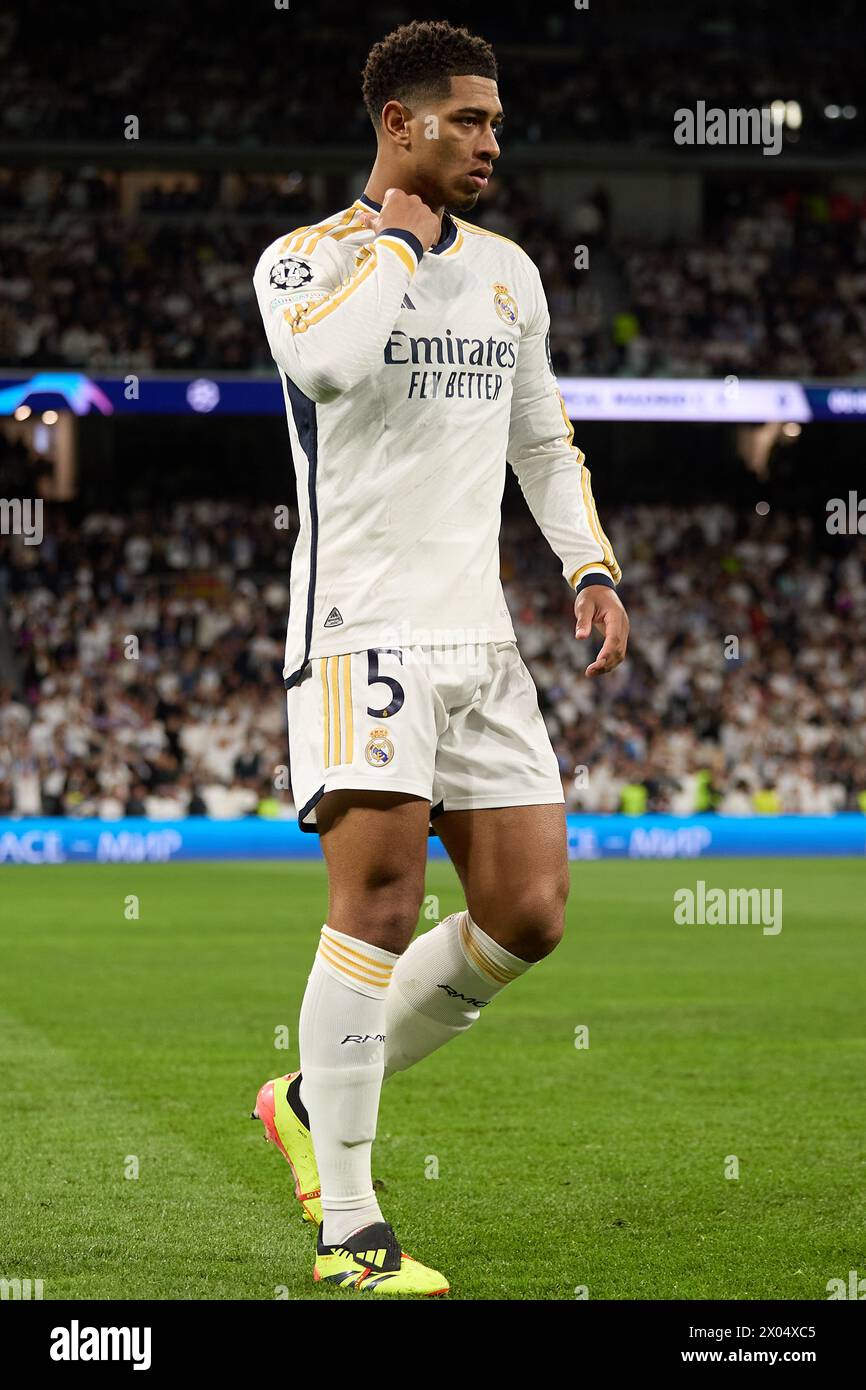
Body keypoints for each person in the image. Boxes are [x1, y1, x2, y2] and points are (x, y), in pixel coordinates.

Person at [251, 18, 629, 1296]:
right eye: (466, 121)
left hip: (483, 638)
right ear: (398, 122)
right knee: (374, 903)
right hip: (364, 628)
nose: (488, 143)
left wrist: (585, 560)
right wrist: (399, 252)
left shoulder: (512, 271)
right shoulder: (303, 263)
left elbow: (541, 438)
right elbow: (329, 363)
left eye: (496, 124)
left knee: (526, 910)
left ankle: (307, 1093)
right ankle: (347, 1225)